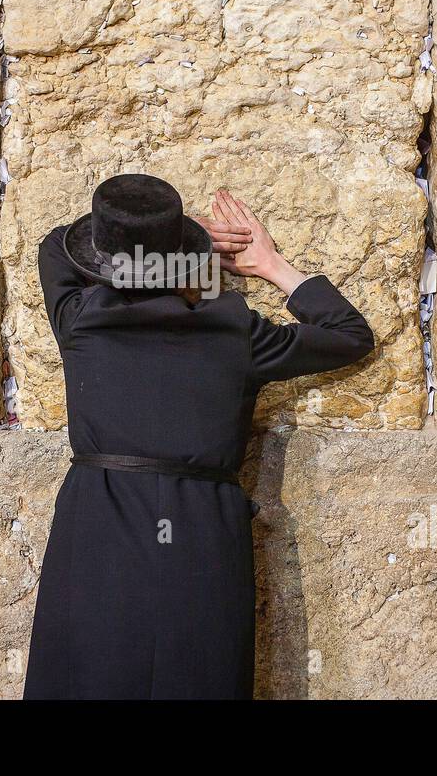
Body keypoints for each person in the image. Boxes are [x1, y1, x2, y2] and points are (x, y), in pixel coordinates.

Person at [23, 174, 374, 699]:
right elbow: (349, 335)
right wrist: (266, 263)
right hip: (200, 527)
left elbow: (55, 244)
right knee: (198, 673)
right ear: (183, 262)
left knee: (86, 675)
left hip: (100, 519)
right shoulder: (237, 332)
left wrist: (172, 244)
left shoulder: (82, 320)